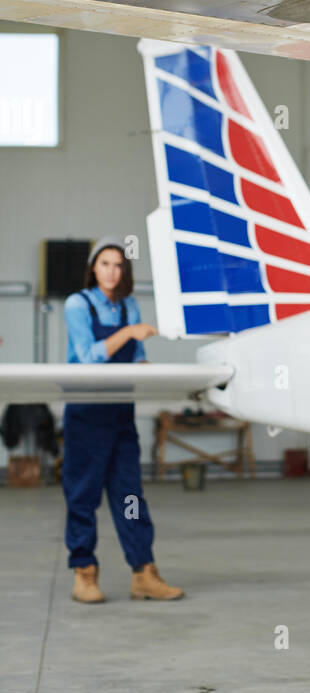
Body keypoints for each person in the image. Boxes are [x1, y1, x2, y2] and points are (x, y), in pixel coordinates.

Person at [62, 237, 184, 604]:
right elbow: (86, 356)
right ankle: (84, 573)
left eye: (118, 265)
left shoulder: (129, 305)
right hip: (86, 414)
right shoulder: (78, 304)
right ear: (93, 268)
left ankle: (143, 572)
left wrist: (157, 374)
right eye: (104, 264)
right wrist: (128, 333)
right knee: (83, 496)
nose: (111, 271)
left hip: (121, 414)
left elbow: (137, 359)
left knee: (130, 495)